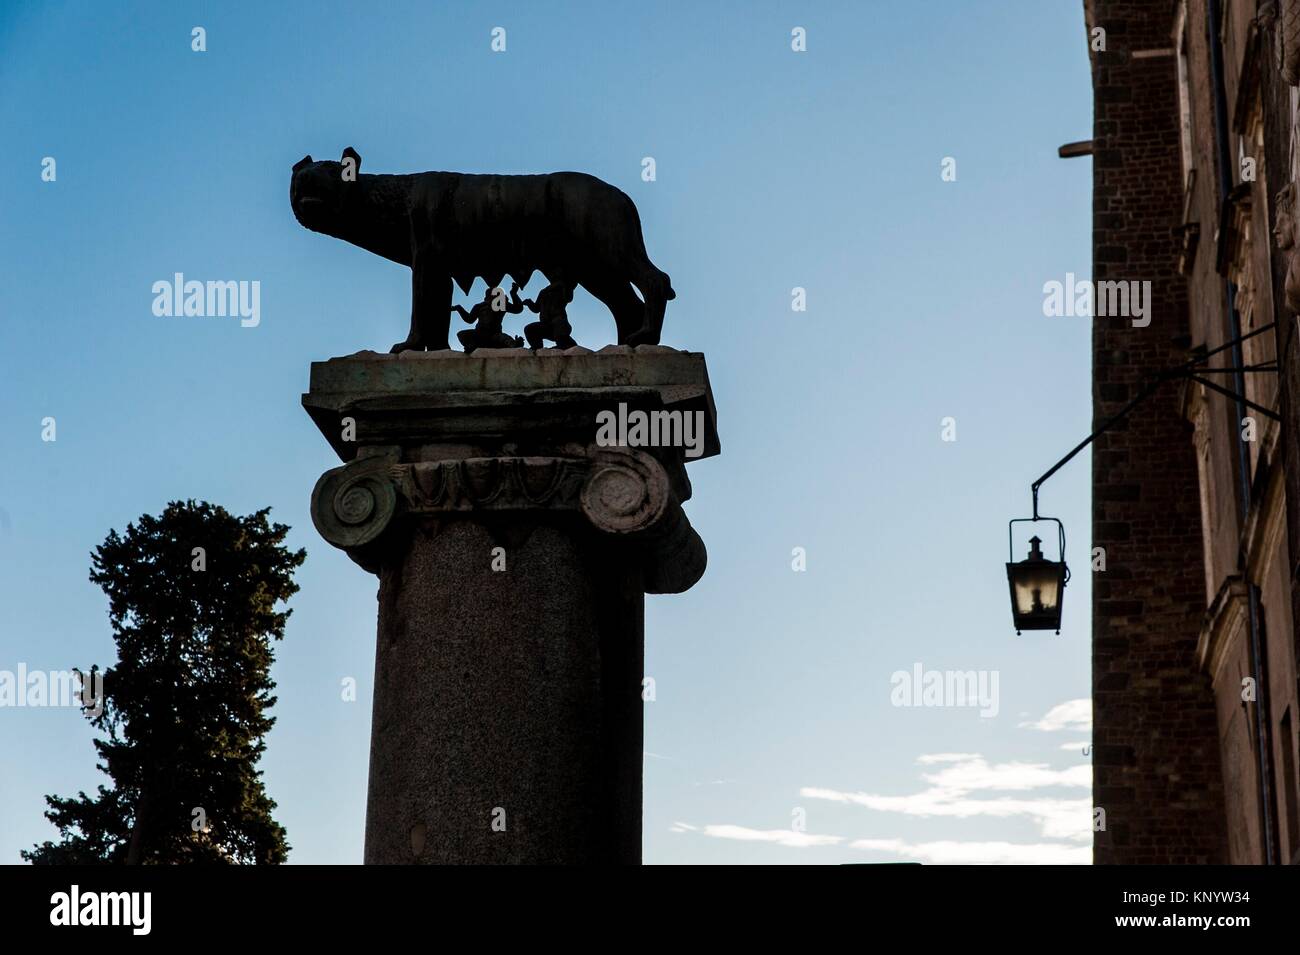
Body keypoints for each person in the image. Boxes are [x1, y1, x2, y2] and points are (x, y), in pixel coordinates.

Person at [453, 284, 525, 352]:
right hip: (479, 334)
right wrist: (459, 308)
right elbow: (469, 319)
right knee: (462, 334)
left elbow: (518, 309)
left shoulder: (501, 305)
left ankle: (516, 345)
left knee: (504, 339)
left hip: (495, 334)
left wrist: (514, 294)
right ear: (486, 297)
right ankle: (472, 346)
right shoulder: (479, 306)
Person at [521, 281, 577, 349]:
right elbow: (536, 308)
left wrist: (567, 286)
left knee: (561, 338)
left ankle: (565, 345)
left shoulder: (562, 286)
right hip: (546, 324)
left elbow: (568, 298)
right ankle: (537, 350)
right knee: (529, 329)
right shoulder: (543, 292)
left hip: (559, 322)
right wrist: (529, 303)